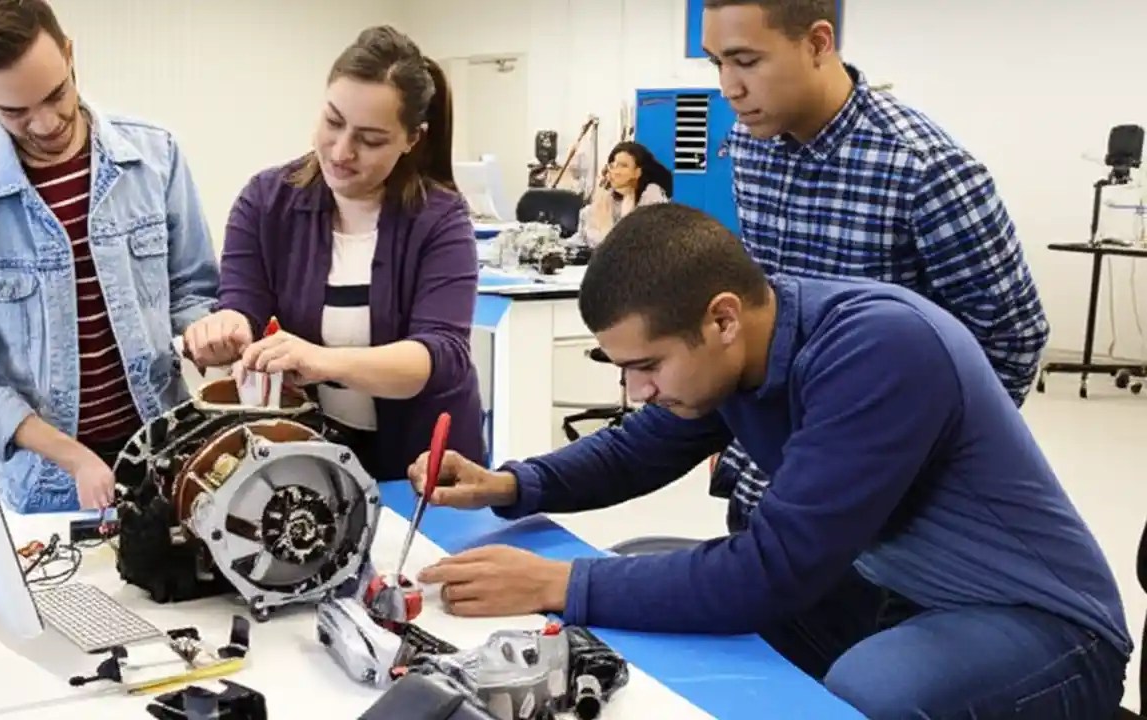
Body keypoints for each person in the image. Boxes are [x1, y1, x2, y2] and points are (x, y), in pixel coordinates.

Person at [412, 204, 1130, 719]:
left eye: (648, 365)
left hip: (1040, 627)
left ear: (722, 318)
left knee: (871, 691)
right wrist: (510, 483)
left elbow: (772, 573)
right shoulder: (742, 348)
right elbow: (640, 448)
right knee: (637, 582)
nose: (637, 390)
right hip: (892, 599)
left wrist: (562, 582)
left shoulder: (879, 352)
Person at [701, 0, 1051, 530]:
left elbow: (1013, 343)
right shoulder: (751, 147)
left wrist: (909, 468)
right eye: (717, 63)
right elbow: (764, 312)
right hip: (769, 479)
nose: (729, 87)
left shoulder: (926, 170)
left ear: (818, 43)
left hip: (878, 506)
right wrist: (740, 430)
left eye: (746, 61)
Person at [0, 0, 219, 513]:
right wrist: (71, 456)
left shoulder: (156, 158)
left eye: (55, 94)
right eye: (14, 111)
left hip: (170, 456)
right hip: (47, 481)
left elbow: (193, 290)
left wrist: (209, 333)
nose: (46, 124)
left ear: (69, 53)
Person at [183, 26, 484, 482]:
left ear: (412, 139)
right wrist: (226, 326)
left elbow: (440, 356)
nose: (342, 151)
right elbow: (243, 305)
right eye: (333, 121)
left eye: (372, 139)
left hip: (423, 468)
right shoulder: (265, 202)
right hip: (311, 463)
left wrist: (320, 360)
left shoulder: (440, 218)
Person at [575, 141, 671, 247]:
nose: (616, 171)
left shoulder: (652, 194)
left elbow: (634, 242)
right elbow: (586, 239)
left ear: (637, 172)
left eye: (623, 166)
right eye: (613, 165)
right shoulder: (605, 198)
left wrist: (629, 201)